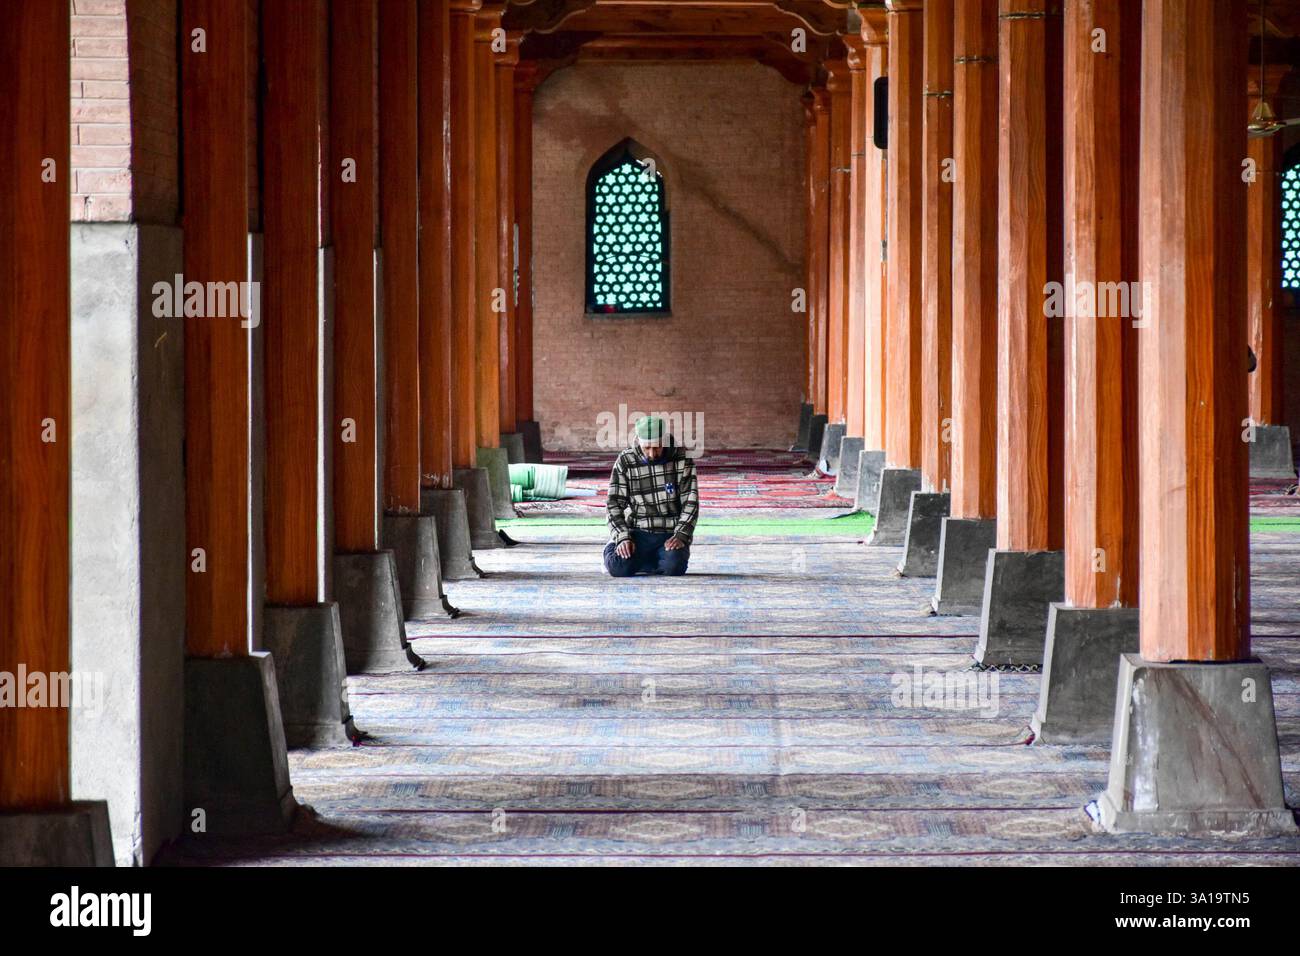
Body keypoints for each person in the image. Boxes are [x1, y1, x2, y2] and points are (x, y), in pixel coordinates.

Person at [603, 415, 699, 577]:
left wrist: (681, 535)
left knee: (674, 568)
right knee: (618, 567)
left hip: (670, 533)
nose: (652, 453)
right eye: (647, 447)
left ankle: (650, 560)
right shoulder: (626, 461)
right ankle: (615, 548)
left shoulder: (683, 460)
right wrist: (622, 537)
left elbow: (690, 503)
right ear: (639, 442)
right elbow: (613, 504)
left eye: (657, 447)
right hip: (638, 531)